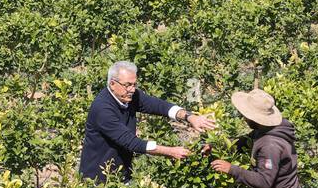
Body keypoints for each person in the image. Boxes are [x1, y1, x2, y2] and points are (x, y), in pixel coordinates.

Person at [78, 60, 217, 181]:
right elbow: (131, 142)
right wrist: (170, 151)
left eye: (134, 84)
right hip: (98, 180)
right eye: (127, 85)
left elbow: (160, 106)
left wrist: (190, 117)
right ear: (113, 84)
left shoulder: (130, 96)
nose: (132, 89)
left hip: (122, 174)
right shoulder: (103, 109)